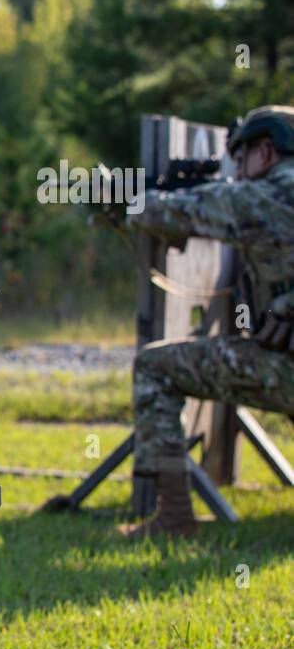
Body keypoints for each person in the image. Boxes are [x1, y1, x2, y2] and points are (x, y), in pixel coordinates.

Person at [122, 104, 294, 538]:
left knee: (155, 368)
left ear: (266, 151)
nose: (236, 168)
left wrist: (119, 198)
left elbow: (159, 212)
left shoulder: (259, 197)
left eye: (241, 157)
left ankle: (175, 516)